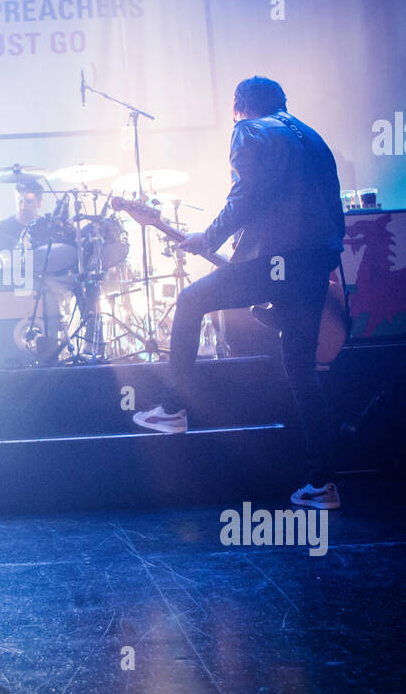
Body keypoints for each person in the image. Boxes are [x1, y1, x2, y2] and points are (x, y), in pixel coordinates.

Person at [132, 77, 345, 510]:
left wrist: (208, 239)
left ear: (237, 107)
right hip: (317, 261)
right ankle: (323, 485)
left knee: (190, 301)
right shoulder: (314, 138)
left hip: (275, 259)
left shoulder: (250, 130)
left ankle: (172, 409)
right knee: (302, 369)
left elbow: (244, 198)